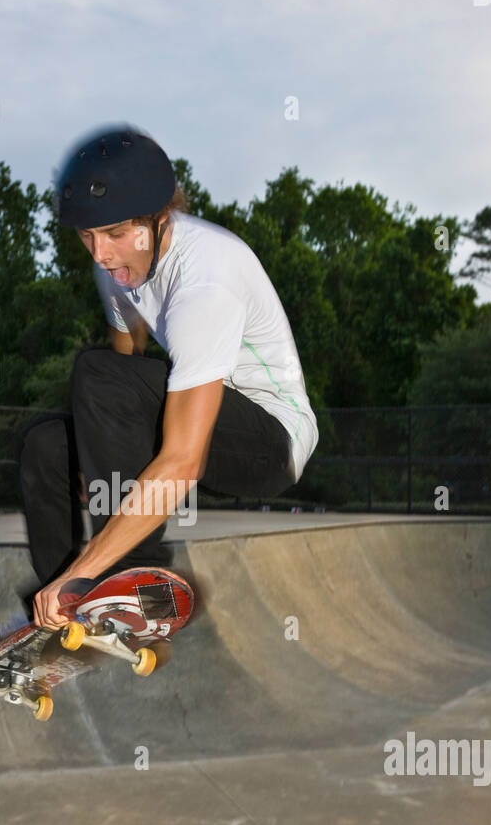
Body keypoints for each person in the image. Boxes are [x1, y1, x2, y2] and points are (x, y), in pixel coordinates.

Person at [18, 124, 318, 629]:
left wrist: (95, 560)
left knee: (97, 373)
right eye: (88, 236)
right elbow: (126, 359)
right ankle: (63, 615)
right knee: (45, 447)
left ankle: (133, 580)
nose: (101, 253)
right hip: (202, 418)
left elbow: (183, 461)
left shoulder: (205, 280)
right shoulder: (114, 265)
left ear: (159, 220)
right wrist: (99, 456)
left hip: (272, 438)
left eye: (114, 235)